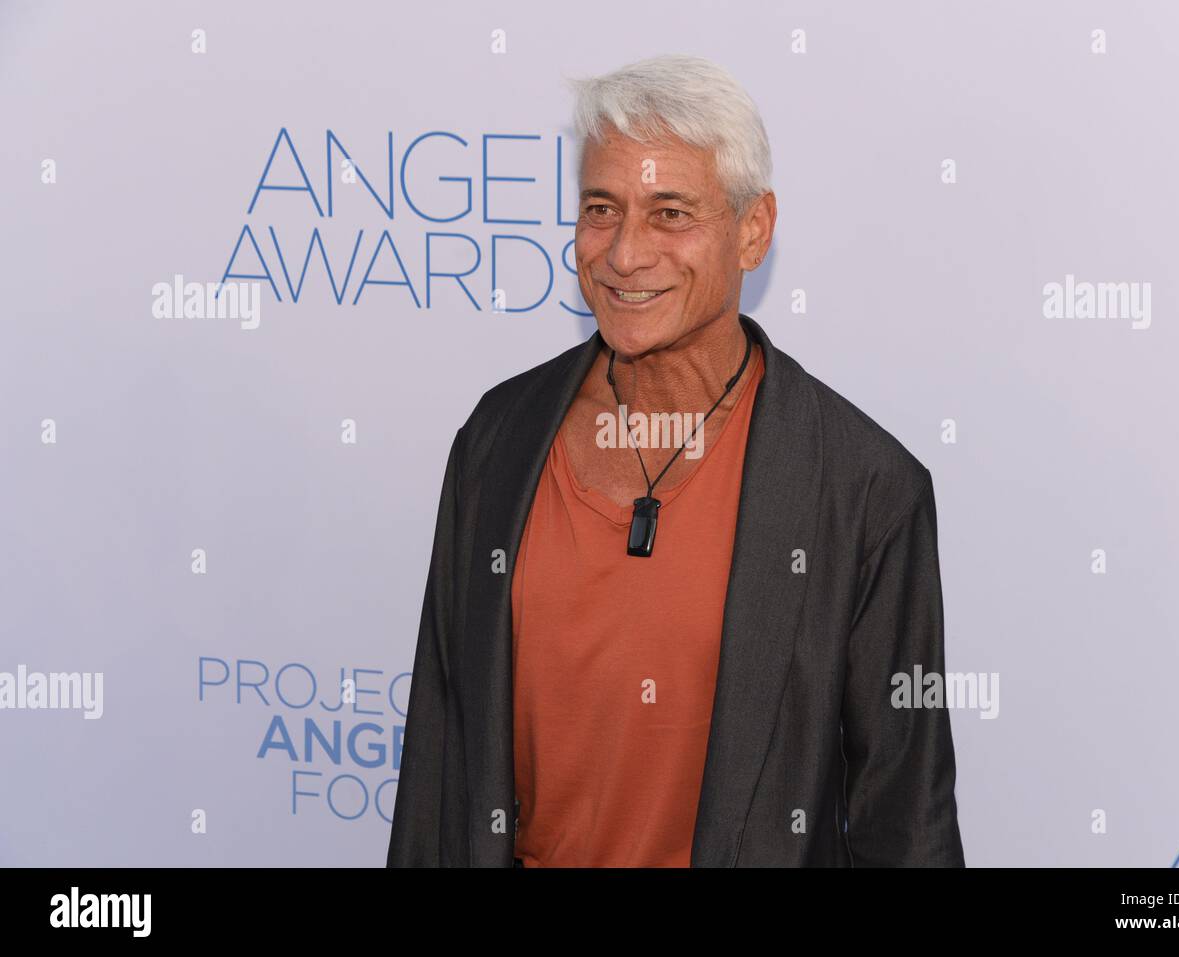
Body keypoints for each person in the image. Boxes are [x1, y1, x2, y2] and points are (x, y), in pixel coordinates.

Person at [387, 53, 964, 867]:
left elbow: (905, 822)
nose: (624, 253)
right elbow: (439, 762)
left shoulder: (865, 488)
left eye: (669, 214)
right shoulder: (498, 438)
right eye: (601, 208)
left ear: (753, 229)